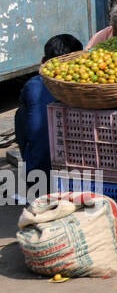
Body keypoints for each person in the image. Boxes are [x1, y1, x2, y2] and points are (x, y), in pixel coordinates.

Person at [15, 34, 83, 194]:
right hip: (81, 176)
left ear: (44, 60)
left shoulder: (34, 85)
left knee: (22, 113)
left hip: (38, 178)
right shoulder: (82, 85)